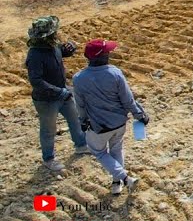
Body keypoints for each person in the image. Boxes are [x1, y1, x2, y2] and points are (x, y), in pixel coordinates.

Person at [72, 39, 150, 195]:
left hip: (98, 126)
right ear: (102, 57)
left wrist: (83, 121)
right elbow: (127, 99)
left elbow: (80, 105)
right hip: (119, 122)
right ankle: (116, 183)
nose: (109, 54)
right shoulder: (115, 73)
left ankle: (124, 178)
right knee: (116, 149)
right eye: (107, 52)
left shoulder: (79, 79)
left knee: (99, 152)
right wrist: (139, 115)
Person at [25, 15, 90, 172]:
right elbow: (36, 81)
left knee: (74, 120)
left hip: (62, 93)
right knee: (48, 130)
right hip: (46, 100)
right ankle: (49, 159)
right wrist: (59, 92)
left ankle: (81, 145)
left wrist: (67, 50)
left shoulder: (51, 47)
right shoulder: (34, 55)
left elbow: (58, 53)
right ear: (48, 35)